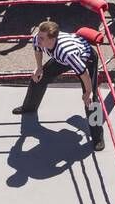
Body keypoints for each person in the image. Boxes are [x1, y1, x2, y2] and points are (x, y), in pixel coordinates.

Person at [11, 19, 104, 149]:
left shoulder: (66, 52)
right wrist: (39, 68)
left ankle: (98, 136)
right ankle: (29, 107)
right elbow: (38, 50)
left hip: (85, 59)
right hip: (62, 59)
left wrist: (88, 92)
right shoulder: (38, 38)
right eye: (39, 35)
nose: (38, 39)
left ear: (52, 40)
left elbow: (84, 74)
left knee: (92, 100)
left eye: (42, 38)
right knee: (39, 78)